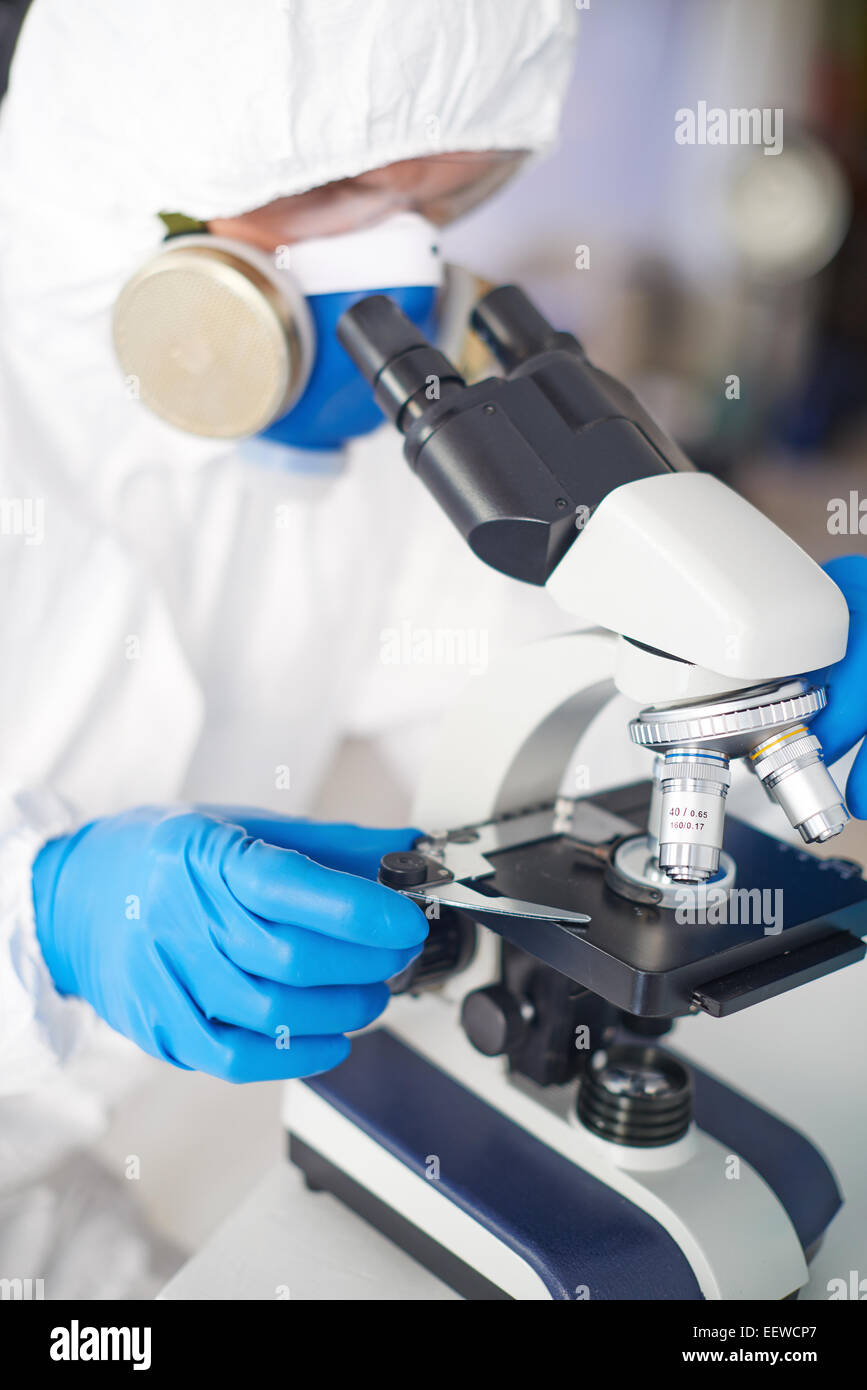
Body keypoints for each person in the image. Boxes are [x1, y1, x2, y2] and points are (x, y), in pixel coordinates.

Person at [0, 0, 864, 1299]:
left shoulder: (340, 459)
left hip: (48, 1182)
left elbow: (553, 700)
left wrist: (779, 690)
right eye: (338, 187)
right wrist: (45, 922)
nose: (397, 262)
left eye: (444, 201)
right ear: (137, 160)